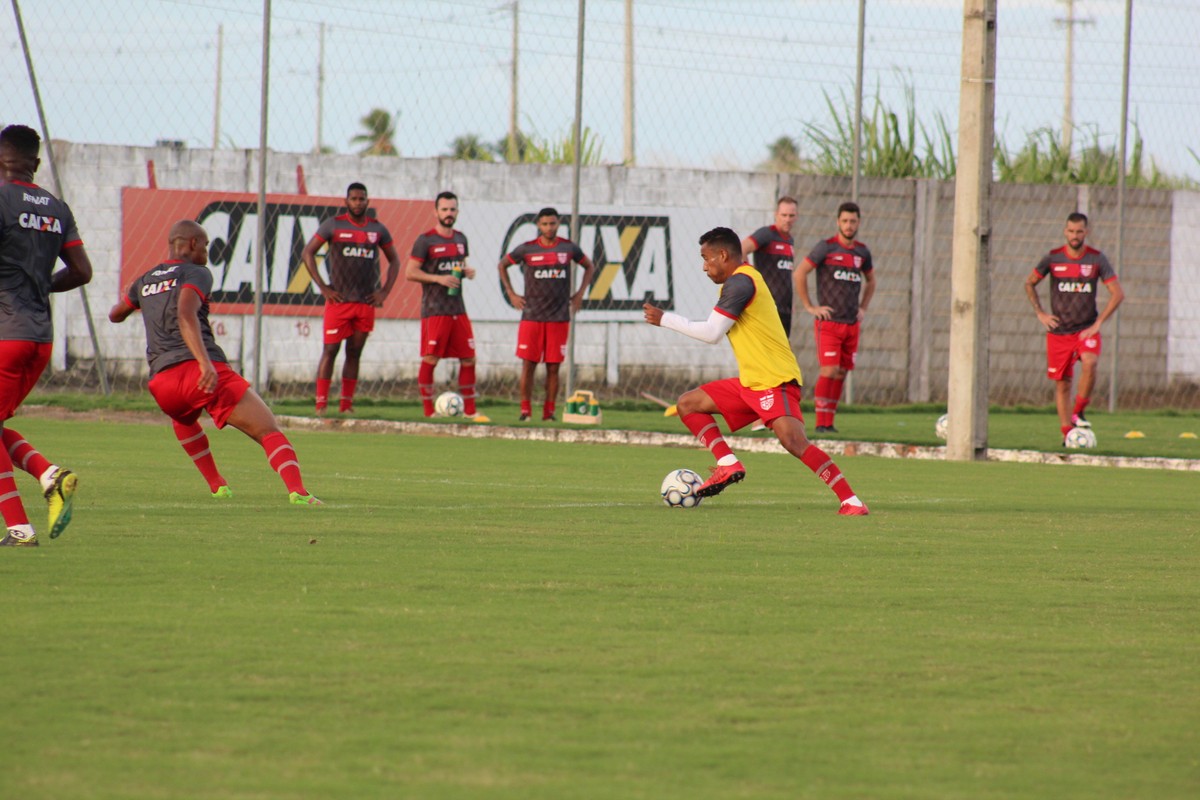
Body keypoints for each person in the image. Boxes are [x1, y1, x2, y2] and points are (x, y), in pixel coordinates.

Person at [643, 226, 868, 516]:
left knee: (793, 441)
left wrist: (665, 319)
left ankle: (851, 500)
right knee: (689, 404)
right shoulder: (738, 283)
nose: (704, 266)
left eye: (706, 258)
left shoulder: (741, 283)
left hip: (776, 380)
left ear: (723, 255)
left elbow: (712, 333)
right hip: (752, 383)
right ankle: (727, 463)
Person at [110, 220, 321, 505]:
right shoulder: (196, 272)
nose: (208, 252)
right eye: (206, 245)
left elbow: (116, 314)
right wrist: (204, 362)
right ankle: (299, 492)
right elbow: (186, 314)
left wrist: (133, 294)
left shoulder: (145, 280)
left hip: (163, 382)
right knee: (268, 429)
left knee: (183, 418)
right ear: (193, 244)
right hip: (202, 371)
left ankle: (217, 485)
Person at [0, 124, 93, 547]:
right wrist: (40, 285)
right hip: (39, 339)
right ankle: (50, 475)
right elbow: (82, 272)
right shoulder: (58, 207)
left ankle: (20, 529)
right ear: (35, 164)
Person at [300, 182, 402, 416]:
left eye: (361, 199)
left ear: (368, 201)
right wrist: (324, 287)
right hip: (339, 302)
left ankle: (346, 405)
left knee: (354, 352)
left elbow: (395, 260)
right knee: (330, 350)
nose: (358, 202)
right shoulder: (334, 225)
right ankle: (321, 405)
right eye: (353, 199)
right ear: (346, 201)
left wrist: (384, 291)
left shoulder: (377, 229)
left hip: (365, 303)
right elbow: (308, 252)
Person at [1024, 212, 1125, 443]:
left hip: (1085, 329)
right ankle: (1067, 434)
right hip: (1059, 332)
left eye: (1079, 231)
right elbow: (1029, 282)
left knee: (1090, 361)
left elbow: (1117, 293)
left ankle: (1079, 410)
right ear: (1065, 231)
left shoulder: (1097, 260)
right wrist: (1040, 313)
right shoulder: (1053, 258)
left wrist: (1098, 324)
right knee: (1062, 384)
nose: (1075, 235)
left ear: (1086, 232)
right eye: (1071, 231)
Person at [498, 207, 595, 421]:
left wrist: (579, 294)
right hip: (531, 316)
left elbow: (589, 266)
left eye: (552, 223)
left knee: (553, 367)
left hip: (558, 317)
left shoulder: (568, 247)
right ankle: (525, 411)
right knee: (528, 365)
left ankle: (549, 413)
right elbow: (502, 265)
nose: (548, 228)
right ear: (538, 226)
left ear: (558, 223)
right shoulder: (527, 249)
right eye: (544, 224)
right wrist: (512, 294)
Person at [405, 191, 489, 422]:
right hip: (435, 309)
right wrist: (438, 278)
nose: (449, 214)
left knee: (469, 358)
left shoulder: (461, 239)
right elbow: (410, 272)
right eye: (444, 209)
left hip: (457, 309)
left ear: (457, 212)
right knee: (431, 358)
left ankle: (471, 411)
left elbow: (459, 266)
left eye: (452, 209)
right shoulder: (426, 240)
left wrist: (466, 272)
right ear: (436, 212)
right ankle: (428, 411)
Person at [795, 201, 876, 434]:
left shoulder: (862, 252)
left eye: (853, 221)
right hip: (829, 323)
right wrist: (810, 306)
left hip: (851, 323)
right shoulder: (826, 248)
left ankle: (829, 422)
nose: (849, 225)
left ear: (858, 223)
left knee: (841, 372)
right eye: (845, 221)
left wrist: (864, 308)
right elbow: (800, 273)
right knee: (829, 370)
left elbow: (871, 280)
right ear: (837, 222)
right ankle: (820, 422)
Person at [742, 196, 799, 337]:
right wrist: (751, 279)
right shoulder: (767, 234)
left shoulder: (789, 240)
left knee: (783, 350)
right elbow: (741, 249)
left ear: (796, 217)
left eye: (791, 215)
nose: (787, 219)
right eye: (784, 215)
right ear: (776, 214)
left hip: (784, 307)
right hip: (767, 305)